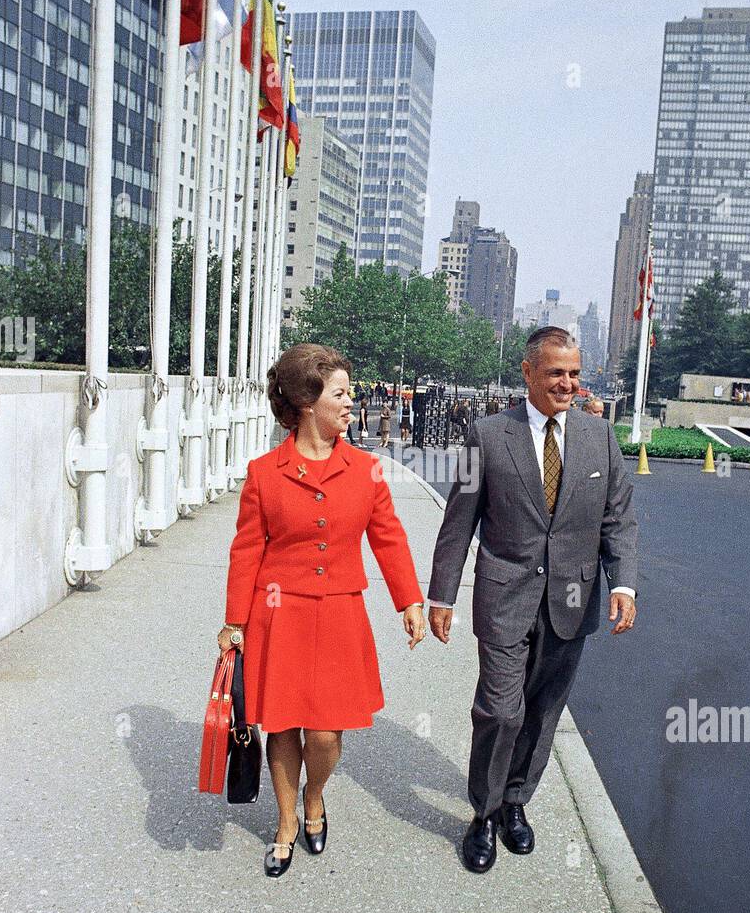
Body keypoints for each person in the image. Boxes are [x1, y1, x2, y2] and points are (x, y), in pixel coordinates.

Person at [427, 326, 638, 874]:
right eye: (555, 373)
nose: (568, 383)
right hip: (503, 597)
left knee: (543, 710)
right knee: (499, 709)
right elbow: (459, 520)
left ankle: (515, 803)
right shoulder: (487, 434)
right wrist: (441, 594)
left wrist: (623, 583)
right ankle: (483, 811)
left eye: (574, 373)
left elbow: (618, 519)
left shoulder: (601, 438)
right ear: (528, 373)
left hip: (572, 600)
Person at [219, 343, 426, 878]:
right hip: (278, 616)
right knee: (283, 727)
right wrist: (234, 622)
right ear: (308, 402)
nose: (352, 402)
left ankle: (316, 795)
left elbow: (389, 538)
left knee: (326, 735)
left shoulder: (367, 470)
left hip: (339, 616)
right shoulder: (264, 473)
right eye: (342, 393)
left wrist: (410, 600)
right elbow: (246, 551)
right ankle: (287, 821)